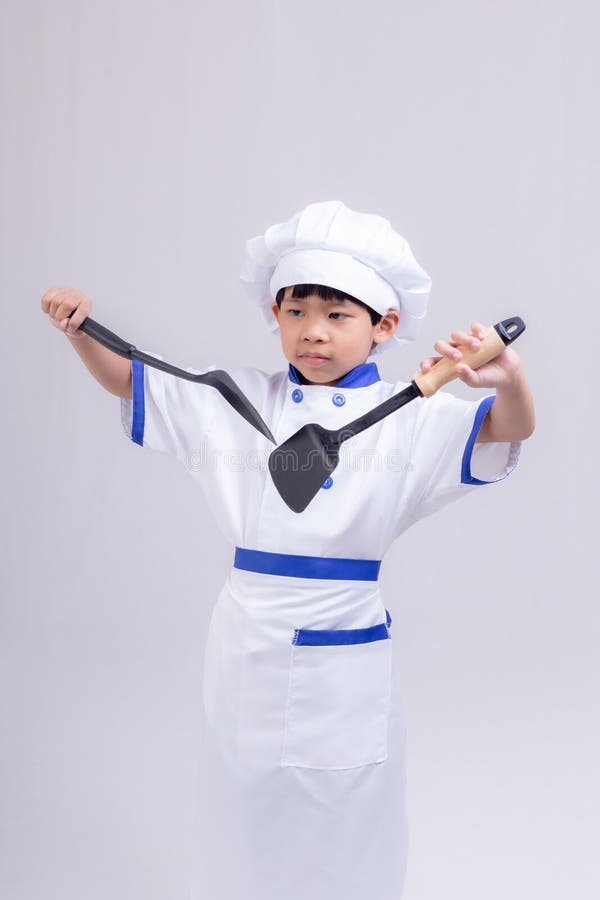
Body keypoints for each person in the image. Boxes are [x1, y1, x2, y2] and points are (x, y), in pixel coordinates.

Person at [41, 200, 535, 900]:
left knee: (347, 815)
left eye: (338, 316)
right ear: (275, 317)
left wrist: (507, 376)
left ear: (385, 326)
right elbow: (132, 378)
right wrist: (77, 327)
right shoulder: (238, 398)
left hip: (345, 634)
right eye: (296, 312)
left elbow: (505, 429)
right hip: (248, 633)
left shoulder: (415, 417)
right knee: (240, 809)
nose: (313, 333)